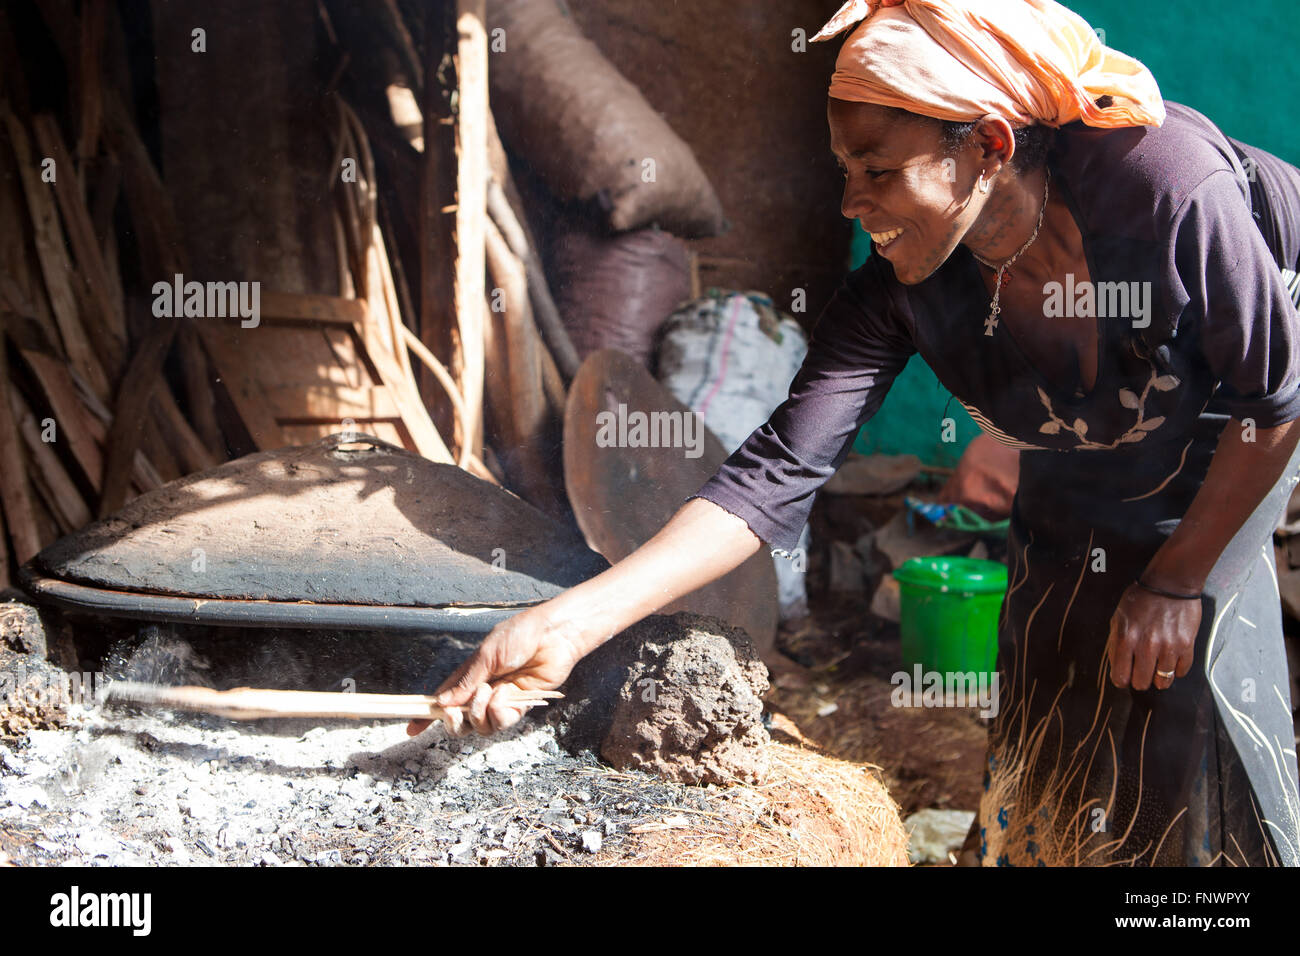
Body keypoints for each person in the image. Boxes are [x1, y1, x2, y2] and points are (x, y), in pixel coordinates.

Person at [411, 0, 1300, 866]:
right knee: (1051, 644)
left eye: (878, 169)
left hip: (1249, 403)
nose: (850, 202)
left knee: (1185, 676)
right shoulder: (901, 287)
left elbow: (1277, 405)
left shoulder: (1166, 186)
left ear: (988, 145)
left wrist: (1179, 584)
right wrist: (569, 624)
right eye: (844, 168)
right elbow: (772, 476)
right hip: (1102, 429)